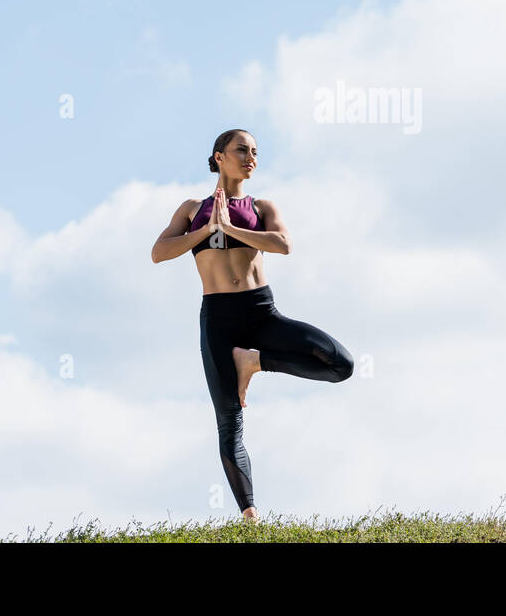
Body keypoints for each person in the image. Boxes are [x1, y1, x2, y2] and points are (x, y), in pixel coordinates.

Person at [150, 128, 354, 519]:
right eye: (241, 150)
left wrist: (230, 229)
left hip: (261, 314)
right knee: (229, 423)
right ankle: (250, 515)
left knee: (340, 364)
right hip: (218, 322)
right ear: (218, 156)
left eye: (255, 152)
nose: (251, 157)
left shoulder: (261, 207)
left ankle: (255, 361)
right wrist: (206, 229)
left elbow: (283, 244)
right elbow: (159, 253)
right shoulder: (193, 209)